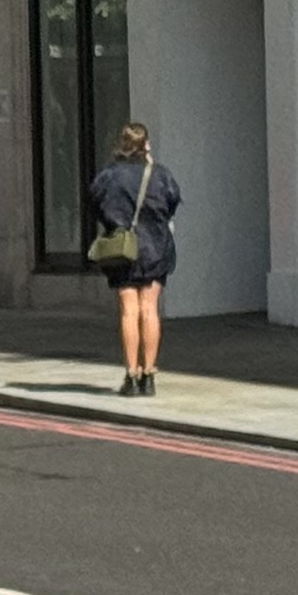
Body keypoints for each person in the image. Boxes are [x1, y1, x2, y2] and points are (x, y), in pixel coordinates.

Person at [87, 121, 181, 397]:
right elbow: (172, 202)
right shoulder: (160, 175)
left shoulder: (109, 175)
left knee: (129, 310)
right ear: (146, 145)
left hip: (123, 249)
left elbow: (95, 202)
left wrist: (115, 222)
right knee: (149, 309)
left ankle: (131, 374)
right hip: (155, 246)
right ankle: (149, 375)